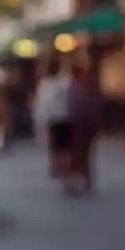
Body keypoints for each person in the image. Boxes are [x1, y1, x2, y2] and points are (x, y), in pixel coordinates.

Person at [67, 63, 104, 194]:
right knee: (79, 155)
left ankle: (78, 180)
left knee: (80, 155)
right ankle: (78, 180)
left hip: (81, 127)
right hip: (79, 127)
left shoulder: (80, 90)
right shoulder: (82, 90)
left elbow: (93, 110)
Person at [34, 60, 74, 182]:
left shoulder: (45, 84)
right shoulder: (66, 81)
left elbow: (42, 104)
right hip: (67, 117)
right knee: (65, 146)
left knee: (56, 146)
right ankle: (64, 167)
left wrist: (39, 121)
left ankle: (58, 167)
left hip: (54, 119)